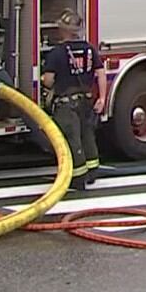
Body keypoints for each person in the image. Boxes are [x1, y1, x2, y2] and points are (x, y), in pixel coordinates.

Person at [41, 10, 104, 190]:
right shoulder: (90, 49)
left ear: (65, 31)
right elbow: (100, 73)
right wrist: (102, 98)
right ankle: (92, 172)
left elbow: (48, 80)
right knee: (87, 135)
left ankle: (77, 178)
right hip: (86, 100)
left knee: (71, 138)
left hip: (66, 104)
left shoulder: (57, 53)